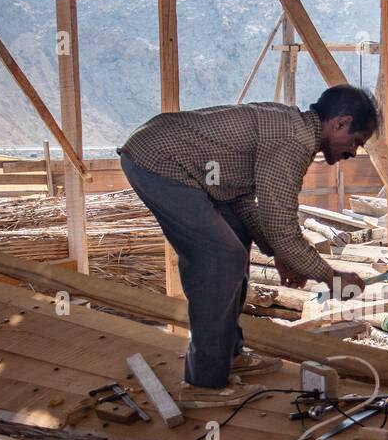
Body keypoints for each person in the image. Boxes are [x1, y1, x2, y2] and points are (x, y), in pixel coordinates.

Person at [118, 86, 373, 406]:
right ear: (340, 123)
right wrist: (329, 275)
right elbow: (281, 225)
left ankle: (228, 356)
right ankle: (204, 384)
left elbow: (241, 199)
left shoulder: (292, 129)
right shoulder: (292, 140)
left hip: (183, 165)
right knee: (221, 258)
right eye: (356, 141)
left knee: (236, 237)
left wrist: (280, 253)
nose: (353, 151)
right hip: (159, 161)